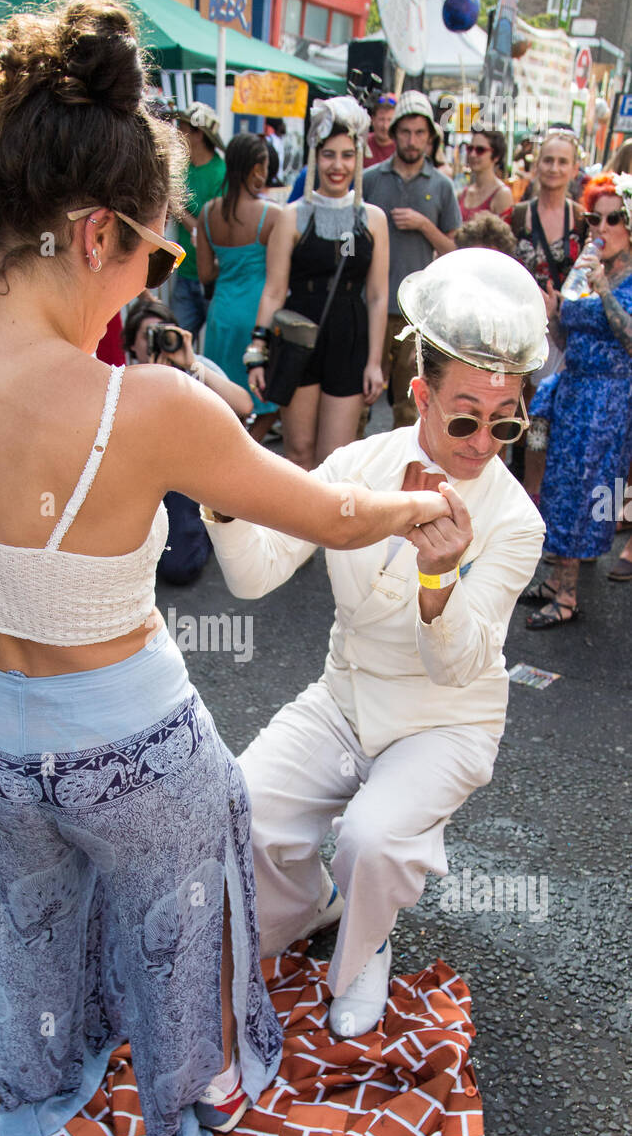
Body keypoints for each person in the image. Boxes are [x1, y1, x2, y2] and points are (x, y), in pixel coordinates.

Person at [0, 0, 451, 1136]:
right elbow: (327, 511)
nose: (155, 273)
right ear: (95, 234)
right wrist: (419, 502)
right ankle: (190, 1102)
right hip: (132, 743)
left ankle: (37, 1095)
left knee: (25, 928)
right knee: (183, 927)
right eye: (157, 246)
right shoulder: (143, 407)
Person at [203, 248, 547, 1037]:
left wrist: (439, 583)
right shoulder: (358, 463)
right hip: (346, 697)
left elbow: (460, 663)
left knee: (371, 838)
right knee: (240, 807)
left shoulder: (515, 521)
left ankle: (365, 947)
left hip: (444, 722)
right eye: (464, 416)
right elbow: (256, 576)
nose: (483, 441)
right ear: (420, 393)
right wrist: (220, 492)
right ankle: (317, 909)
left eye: (507, 421)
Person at [246, 97, 389, 469]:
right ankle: (294, 528)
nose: (337, 165)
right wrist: (258, 352)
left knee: (336, 460)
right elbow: (275, 290)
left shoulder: (373, 219)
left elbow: (376, 296)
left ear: (358, 157)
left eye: (346, 154)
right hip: (298, 337)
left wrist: (375, 362)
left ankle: (325, 528)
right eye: (328, 154)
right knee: (298, 452)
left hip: (350, 335)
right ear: (315, 156)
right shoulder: (292, 217)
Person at [521, 172, 632, 619]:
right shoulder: (587, 269)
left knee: (586, 489)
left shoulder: (616, 278)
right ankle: (554, 580)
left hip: (607, 398)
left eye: (613, 218)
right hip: (573, 386)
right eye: (594, 218)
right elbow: (572, 338)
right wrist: (554, 315)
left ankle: (567, 596)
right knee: (560, 484)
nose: (601, 228)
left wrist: (604, 290)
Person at [121, 297, 251, 585]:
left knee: (179, 570)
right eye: (147, 336)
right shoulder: (122, 376)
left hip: (188, 480)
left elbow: (244, 406)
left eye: (164, 333)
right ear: (132, 345)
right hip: (138, 481)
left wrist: (191, 367)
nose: (157, 342)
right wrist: (151, 381)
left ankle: (208, 524)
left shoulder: (195, 366)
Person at [362, 91, 462, 428]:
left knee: (409, 408)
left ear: (430, 137)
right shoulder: (371, 179)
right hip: (369, 305)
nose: (412, 139)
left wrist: (424, 225)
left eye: (420, 132)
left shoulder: (442, 185)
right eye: (405, 131)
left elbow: (453, 250)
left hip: (415, 312)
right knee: (359, 398)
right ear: (394, 133)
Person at [509, 128, 587, 499]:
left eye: (562, 162)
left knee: (553, 416)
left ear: (574, 169)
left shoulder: (584, 221)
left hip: (565, 333)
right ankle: (518, 490)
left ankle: (546, 494)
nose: (554, 168)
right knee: (518, 413)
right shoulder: (519, 215)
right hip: (522, 330)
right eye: (548, 160)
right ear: (537, 165)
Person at [197, 132, 280, 443]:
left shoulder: (208, 212)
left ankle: (227, 449)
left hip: (221, 312)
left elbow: (206, 273)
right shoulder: (272, 215)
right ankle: (250, 446)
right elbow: (279, 274)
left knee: (221, 395)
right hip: (258, 312)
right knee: (269, 397)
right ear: (257, 168)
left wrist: (231, 265)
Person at [171, 102, 225, 339]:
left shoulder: (221, 174)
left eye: (182, 128)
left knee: (212, 358)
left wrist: (178, 209)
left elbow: (210, 233)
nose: (177, 133)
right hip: (184, 273)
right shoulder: (181, 167)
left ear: (198, 134)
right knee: (172, 347)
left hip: (213, 279)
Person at [458, 129, 513, 223]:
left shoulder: (502, 194)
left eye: (480, 150)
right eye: (470, 148)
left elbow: (504, 236)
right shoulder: (463, 193)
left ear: (496, 156)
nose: (472, 154)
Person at [365, 93, 396, 169]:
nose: (385, 126)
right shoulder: (362, 144)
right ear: (373, 120)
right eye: (381, 119)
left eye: (389, 120)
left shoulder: (402, 148)